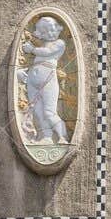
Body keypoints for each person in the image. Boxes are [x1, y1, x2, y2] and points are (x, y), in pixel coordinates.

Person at [17, 16, 69, 145]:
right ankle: (46, 136)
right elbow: (37, 61)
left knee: (49, 111)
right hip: (33, 79)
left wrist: (32, 50)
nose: (39, 33)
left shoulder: (59, 43)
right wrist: (23, 73)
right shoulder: (40, 45)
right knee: (37, 111)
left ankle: (62, 136)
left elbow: (48, 52)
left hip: (48, 78)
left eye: (41, 30)